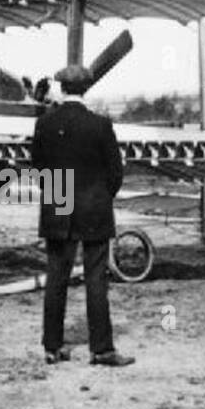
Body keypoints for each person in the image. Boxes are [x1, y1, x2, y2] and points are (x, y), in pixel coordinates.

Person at [32, 66, 134, 367]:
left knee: (56, 278)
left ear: (61, 88)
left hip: (58, 198)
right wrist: (100, 197)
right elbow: (115, 172)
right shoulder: (101, 125)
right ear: (85, 89)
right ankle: (101, 350)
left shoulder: (45, 124)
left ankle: (52, 347)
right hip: (94, 205)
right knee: (95, 279)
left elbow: (38, 168)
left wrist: (56, 193)